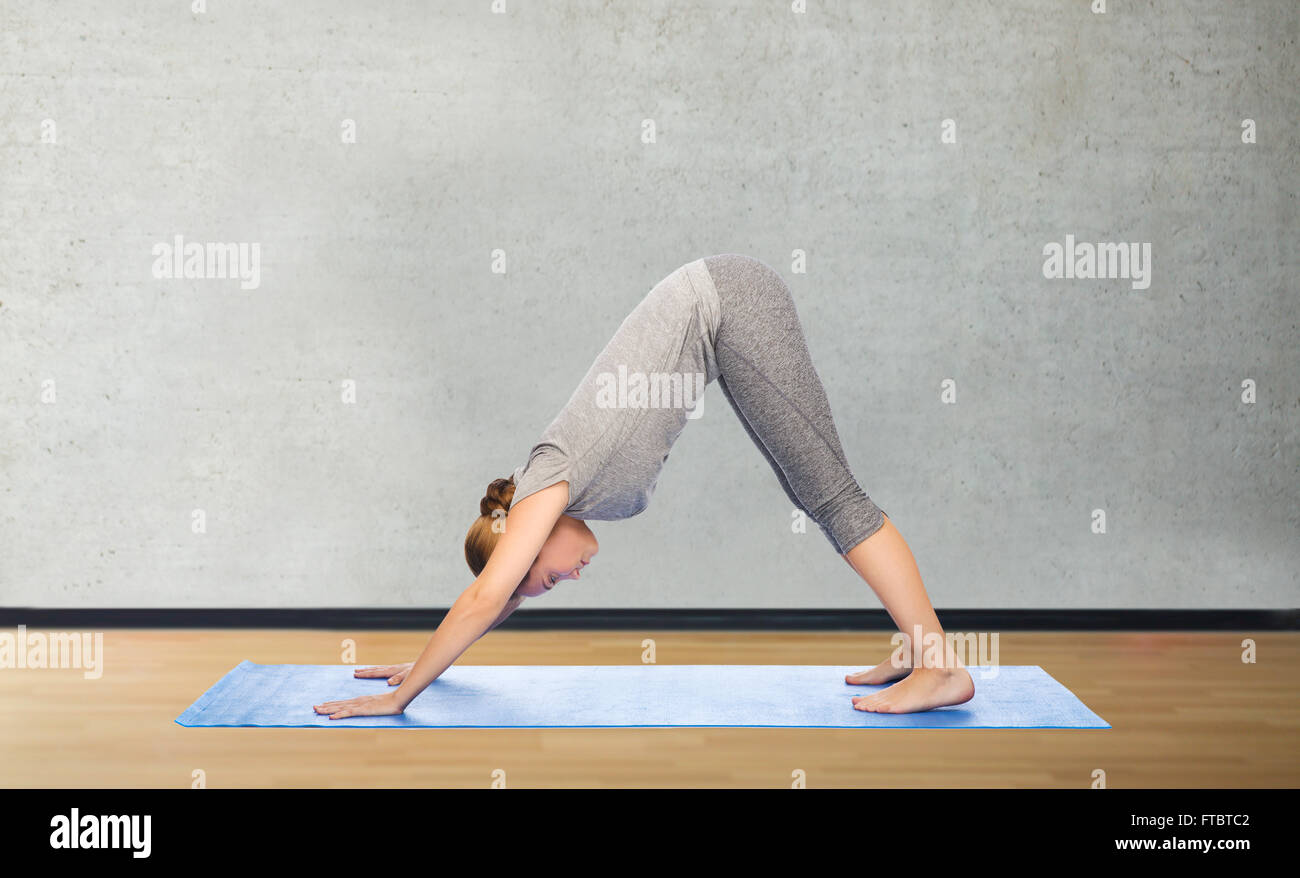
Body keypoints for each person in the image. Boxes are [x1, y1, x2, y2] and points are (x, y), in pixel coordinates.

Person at [314, 254, 974, 719]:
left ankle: (940, 666)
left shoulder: (547, 478)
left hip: (728, 301)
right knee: (817, 497)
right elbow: (499, 598)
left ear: (523, 536)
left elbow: (489, 596)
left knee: (831, 497)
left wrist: (402, 699)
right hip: (721, 319)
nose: (567, 580)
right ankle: (922, 650)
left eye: (547, 579)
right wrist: (432, 663)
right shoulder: (551, 498)